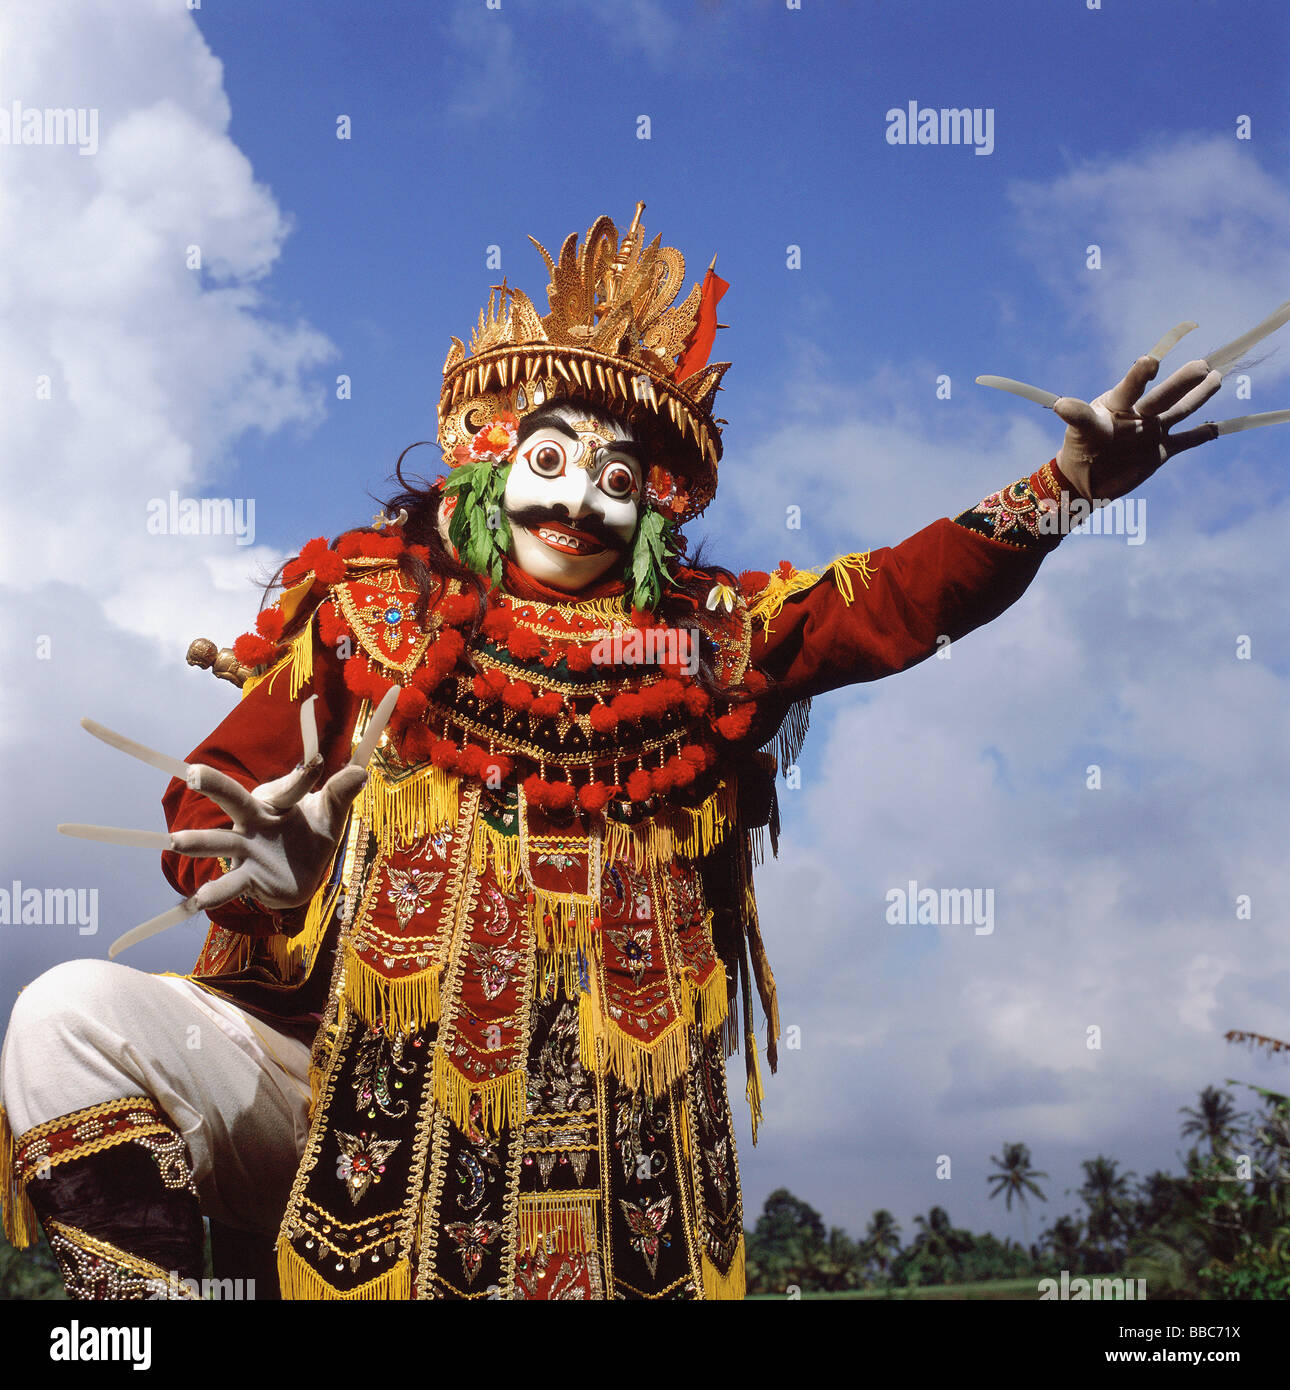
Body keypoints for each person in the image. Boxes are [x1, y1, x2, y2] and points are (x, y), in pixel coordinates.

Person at [1, 205, 1280, 1300]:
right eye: (551, 459)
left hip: (613, 1171)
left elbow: (894, 599)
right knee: (69, 1019)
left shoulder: (714, 639)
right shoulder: (366, 610)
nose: (576, 499)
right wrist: (278, 873)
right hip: (356, 1116)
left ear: (660, 505)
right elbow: (206, 812)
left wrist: (1063, 487)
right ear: (490, 462)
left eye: (617, 475)